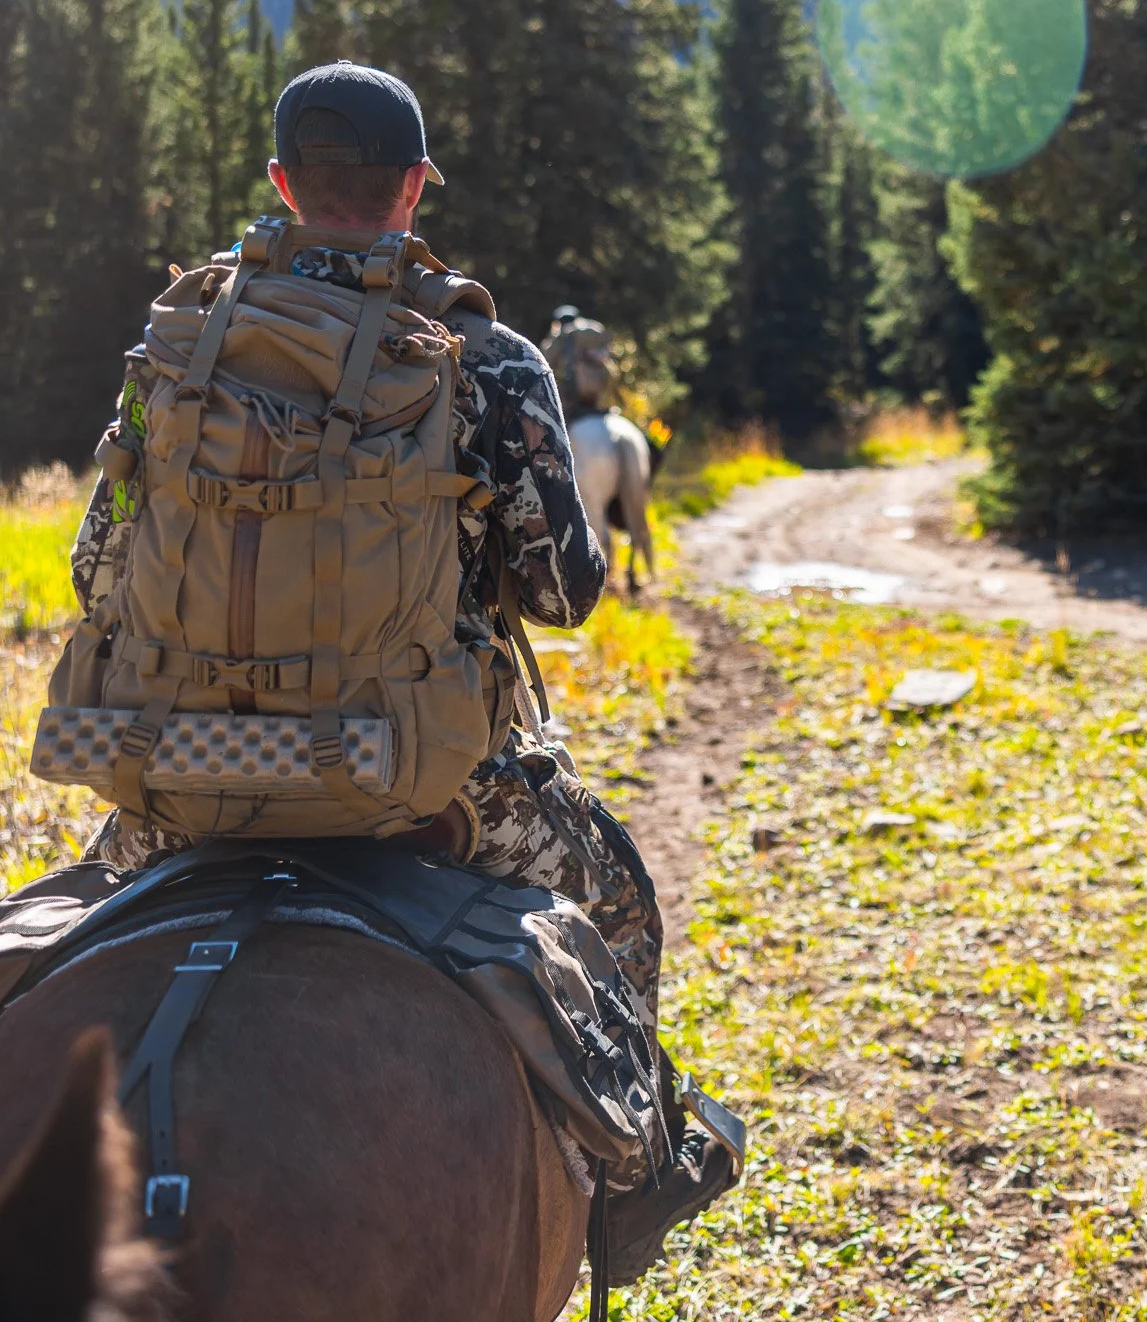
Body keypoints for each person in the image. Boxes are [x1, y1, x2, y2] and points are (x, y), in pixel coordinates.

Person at [65, 61, 730, 1262]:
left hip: (189, 764)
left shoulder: (180, 345)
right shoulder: (488, 355)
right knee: (620, 904)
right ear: (413, 189)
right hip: (430, 784)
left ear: (281, 183)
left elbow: (90, 573)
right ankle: (637, 1181)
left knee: (73, 928)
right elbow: (568, 592)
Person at [543, 304, 615, 420]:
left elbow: (547, 360)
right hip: (599, 390)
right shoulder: (594, 330)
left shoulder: (561, 336)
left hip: (573, 394)